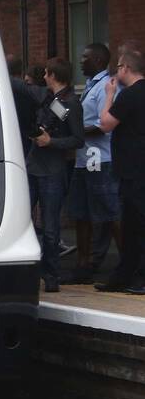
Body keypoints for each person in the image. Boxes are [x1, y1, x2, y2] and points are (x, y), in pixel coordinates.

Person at [28, 57, 83, 292]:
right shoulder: (48, 99)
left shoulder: (70, 102)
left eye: (47, 73)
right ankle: (31, 271)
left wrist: (51, 142)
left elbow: (77, 139)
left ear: (53, 75)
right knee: (25, 221)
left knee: (50, 226)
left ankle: (51, 275)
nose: (43, 77)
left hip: (52, 170)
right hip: (33, 166)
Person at [67, 43, 120, 283]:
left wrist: (75, 132)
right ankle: (84, 264)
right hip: (84, 159)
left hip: (100, 159)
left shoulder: (105, 87)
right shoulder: (91, 85)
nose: (80, 61)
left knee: (110, 212)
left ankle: (131, 264)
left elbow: (103, 126)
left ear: (98, 60)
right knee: (81, 212)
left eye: (85, 57)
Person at [98, 48, 145, 293]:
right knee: (133, 224)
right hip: (138, 167)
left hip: (132, 169)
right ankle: (127, 274)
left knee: (134, 224)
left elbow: (105, 124)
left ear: (126, 68)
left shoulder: (128, 95)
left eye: (118, 67)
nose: (116, 71)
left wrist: (109, 94)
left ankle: (133, 275)